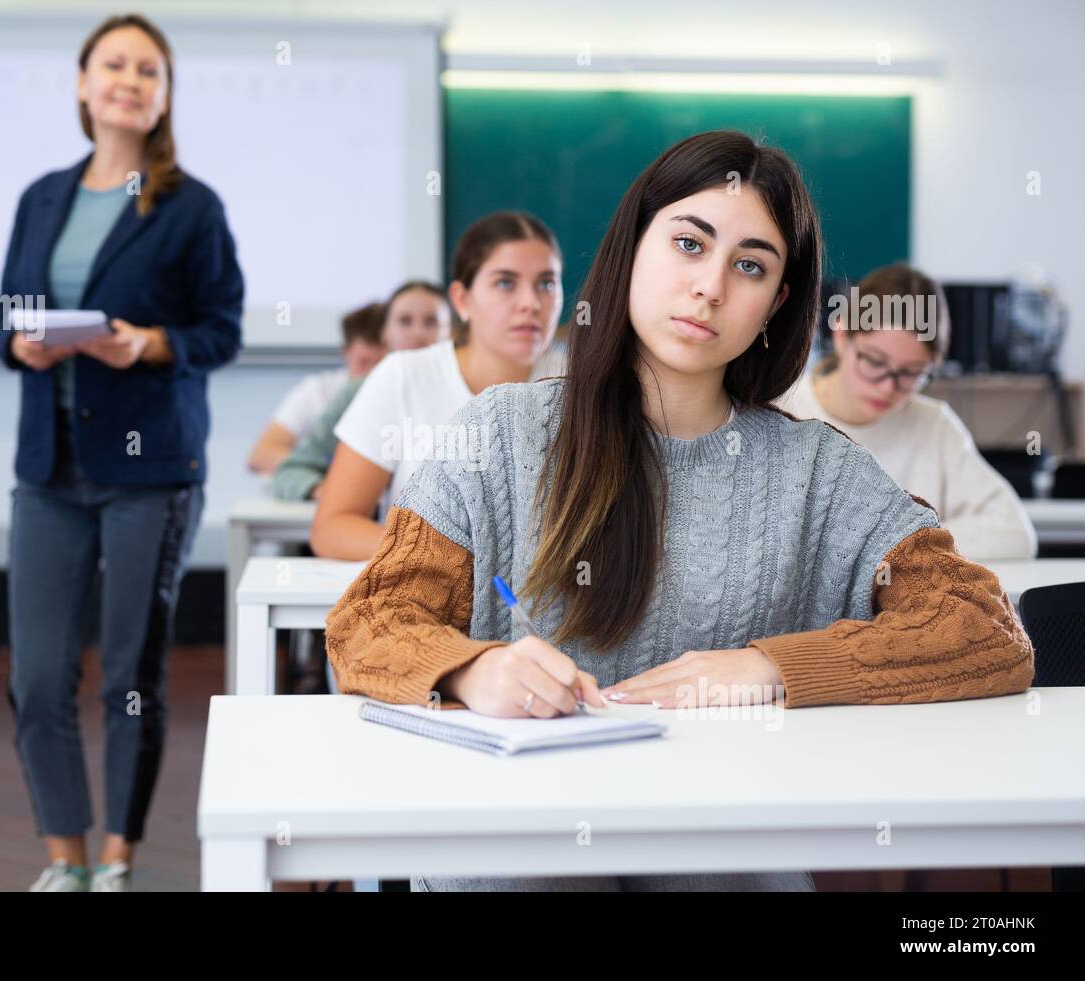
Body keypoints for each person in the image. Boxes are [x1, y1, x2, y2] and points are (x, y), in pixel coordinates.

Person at [324, 130, 1034, 892]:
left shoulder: (817, 470)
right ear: (632, 249)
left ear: (776, 305)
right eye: (689, 244)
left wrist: (770, 667)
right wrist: (473, 667)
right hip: (520, 841)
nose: (711, 288)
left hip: (722, 841)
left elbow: (987, 629)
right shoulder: (497, 434)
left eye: (751, 266)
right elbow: (368, 623)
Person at [0, 13, 243, 892]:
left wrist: (152, 344)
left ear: (165, 95)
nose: (130, 80)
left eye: (149, 69)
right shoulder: (41, 197)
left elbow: (222, 330)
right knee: (38, 673)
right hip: (49, 468)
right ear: (83, 84)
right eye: (114, 65)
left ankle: (120, 857)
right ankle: (64, 856)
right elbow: (3, 319)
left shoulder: (191, 207)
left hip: (150, 471)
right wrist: (17, 342)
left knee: (130, 671)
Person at [310, 212, 565, 560]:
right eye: (505, 283)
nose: (531, 303)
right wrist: (444, 556)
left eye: (546, 284)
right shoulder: (405, 377)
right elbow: (333, 527)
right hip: (425, 595)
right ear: (461, 300)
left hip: (544, 605)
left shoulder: (581, 382)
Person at [777, 263, 1036, 560]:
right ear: (841, 335)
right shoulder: (781, 411)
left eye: (911, 373)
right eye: (874, 362)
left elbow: (1015, 533)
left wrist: (907, 544)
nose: (888, 387)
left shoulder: (934, 426)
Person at [270, 280, 450, 501]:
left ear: (453, 331)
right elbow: (291, 471)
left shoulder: (476, 392)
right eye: (405, 321)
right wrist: (332, 494)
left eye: (431, 322)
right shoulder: (358, 392)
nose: (418, 333)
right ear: (385, 334)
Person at [246, 301, 388, 474]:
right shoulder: (318, 391)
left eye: (381, 365)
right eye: (364, 362)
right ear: (346, 352)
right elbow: (261, 455)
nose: (370, 376)